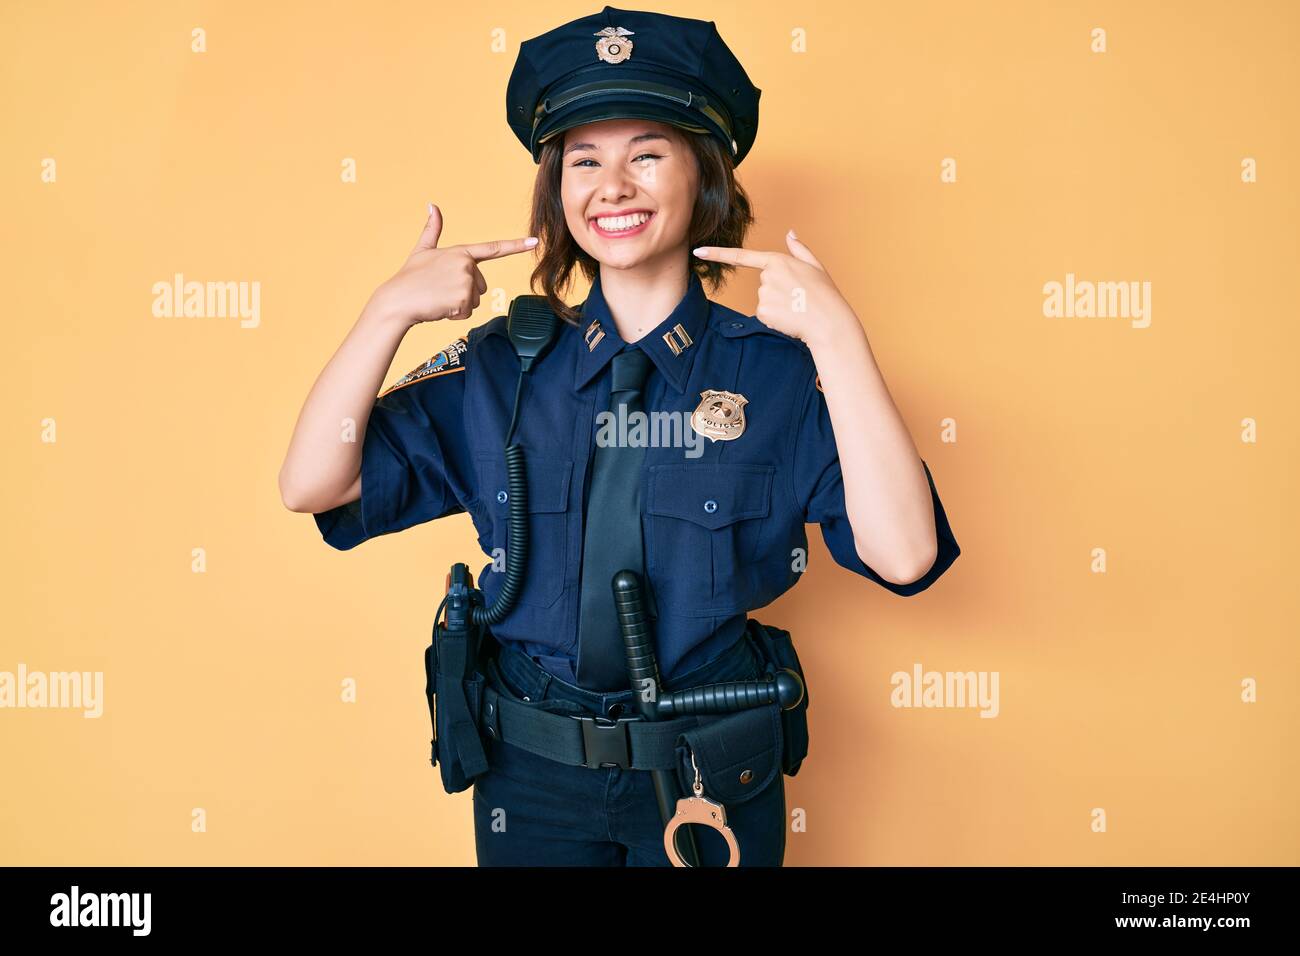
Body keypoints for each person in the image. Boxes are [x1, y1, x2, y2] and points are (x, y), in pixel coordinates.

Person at [279, 5, 960, 867]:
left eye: (647, 153)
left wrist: (840, 339)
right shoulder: (500, 365)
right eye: (584, 160)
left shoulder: (779, 374)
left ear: (702, 177)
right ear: (558, 191)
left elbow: (904, 556)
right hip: (530, 781)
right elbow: (311, 484)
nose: (613, 185)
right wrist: (387, 313)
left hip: (709, 778)